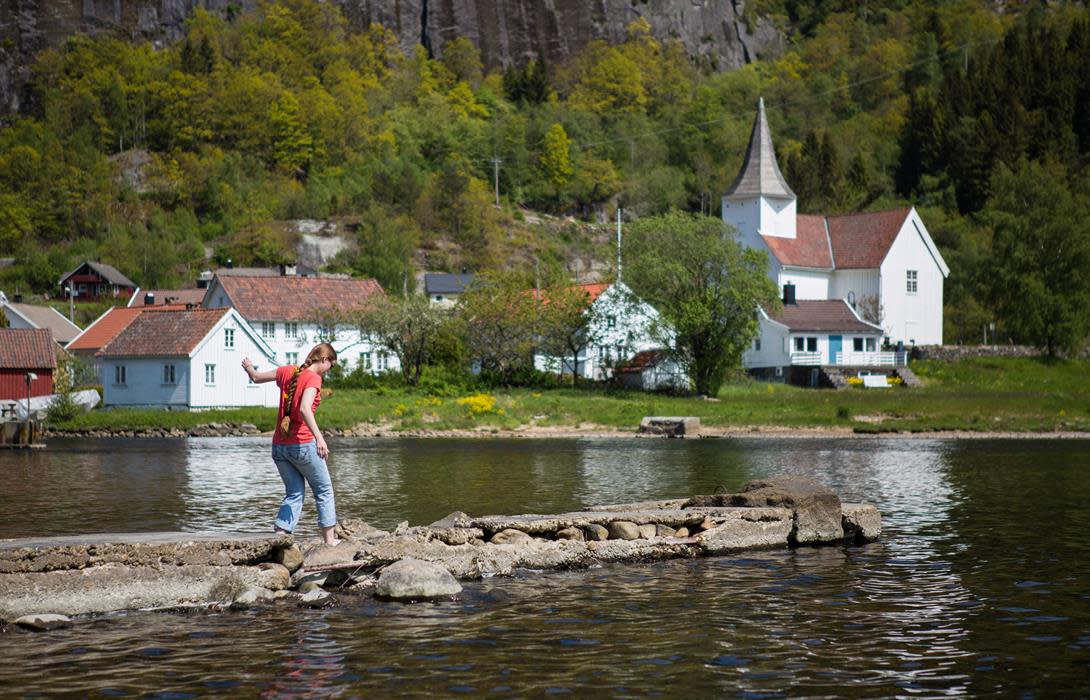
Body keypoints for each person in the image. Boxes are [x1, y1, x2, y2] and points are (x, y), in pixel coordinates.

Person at [242, 343, 340, 546]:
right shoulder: (313, 378)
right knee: (324, 490)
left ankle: (281, 535)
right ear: (324, 360)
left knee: (294, 492)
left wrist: (249, 366)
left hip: (279, 446)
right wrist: (320, 438)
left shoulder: (288, 371)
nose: (329, 370)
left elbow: (256, 377)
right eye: (331, 365)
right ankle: (330, 540)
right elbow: (305, 408)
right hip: (302, 444)